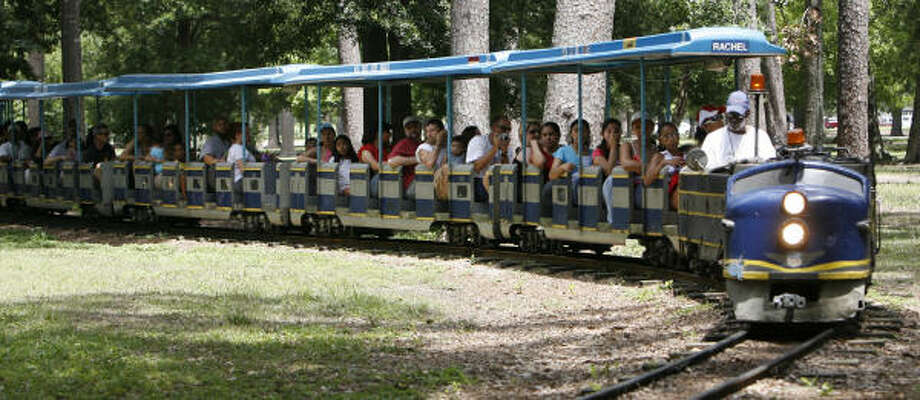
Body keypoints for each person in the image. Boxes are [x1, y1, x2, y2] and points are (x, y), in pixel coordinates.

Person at [701, 91, 776, 170]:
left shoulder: (761, 137)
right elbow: (706, 169)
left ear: (747, 113)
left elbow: (770, 166)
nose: (733, 120)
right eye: (730, 115)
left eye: (737, 116)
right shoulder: (712, 139)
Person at [466, 115, 511, 202]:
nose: (506, 132)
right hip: (479, 181)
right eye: (503, 128)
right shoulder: (478, 141)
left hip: (499, 182)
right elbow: (477, 168)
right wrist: (495, 148)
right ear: (493, 127)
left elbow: (507, 171)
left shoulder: (507, 145)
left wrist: (504, 152)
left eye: (508, 129)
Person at [547, 119, 594, 204]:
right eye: (576, 131)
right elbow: (552, 175)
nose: (580, 134)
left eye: (583, 131)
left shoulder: (593, 153)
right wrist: (563, 167)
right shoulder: (563, 151)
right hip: (569, 192)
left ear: (588, 133)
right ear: (571, 133)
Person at [643, 122, 684, 209]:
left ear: (678, 136)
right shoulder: (659, 156)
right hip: (670, 195)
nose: (671, 139)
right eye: (666, 136)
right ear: (660, 140)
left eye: (674, 134)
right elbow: (647, 181)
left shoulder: (686, 154)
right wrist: (664, 163)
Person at [386, 116, 423, 197]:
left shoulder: (423, 144)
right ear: (405, 130)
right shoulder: (403, 143)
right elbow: (392, 161)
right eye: (409, 128)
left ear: (420, 128)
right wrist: (418, 159)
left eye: (415, 127)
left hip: (424, 178)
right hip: (411, 184)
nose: (413, 130)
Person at [595, 119, 623, 224]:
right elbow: (609, 171)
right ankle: (613, 221)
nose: (613, 135)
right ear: (603, 134)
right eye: (609, 131)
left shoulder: (624, 149)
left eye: (616, 131)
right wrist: (614, 147)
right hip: (605, 190)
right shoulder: (598, 152)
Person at [226, 123, 256, 193]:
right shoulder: (238, 149)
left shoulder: (240, 148)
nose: (248, 136)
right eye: (246, 133)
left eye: (248, 133)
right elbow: (243, 168)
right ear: (237, 135)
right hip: (240, 181)